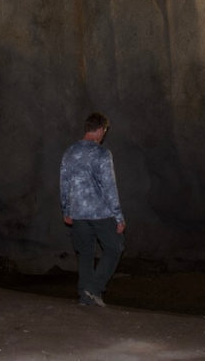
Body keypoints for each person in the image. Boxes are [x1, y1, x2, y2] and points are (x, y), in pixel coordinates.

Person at [59, 112, 126, 307]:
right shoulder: (102, 154)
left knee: (85, 254)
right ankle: (94, 288)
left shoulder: (69, 152)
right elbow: (109, 187)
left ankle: (84, 295)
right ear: (99, 130)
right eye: (104, 130)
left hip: (78, 213)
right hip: (100, 213)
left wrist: (66, 210)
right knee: (115, 247)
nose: (104, 134)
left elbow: (64, 184)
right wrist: (119, 216)